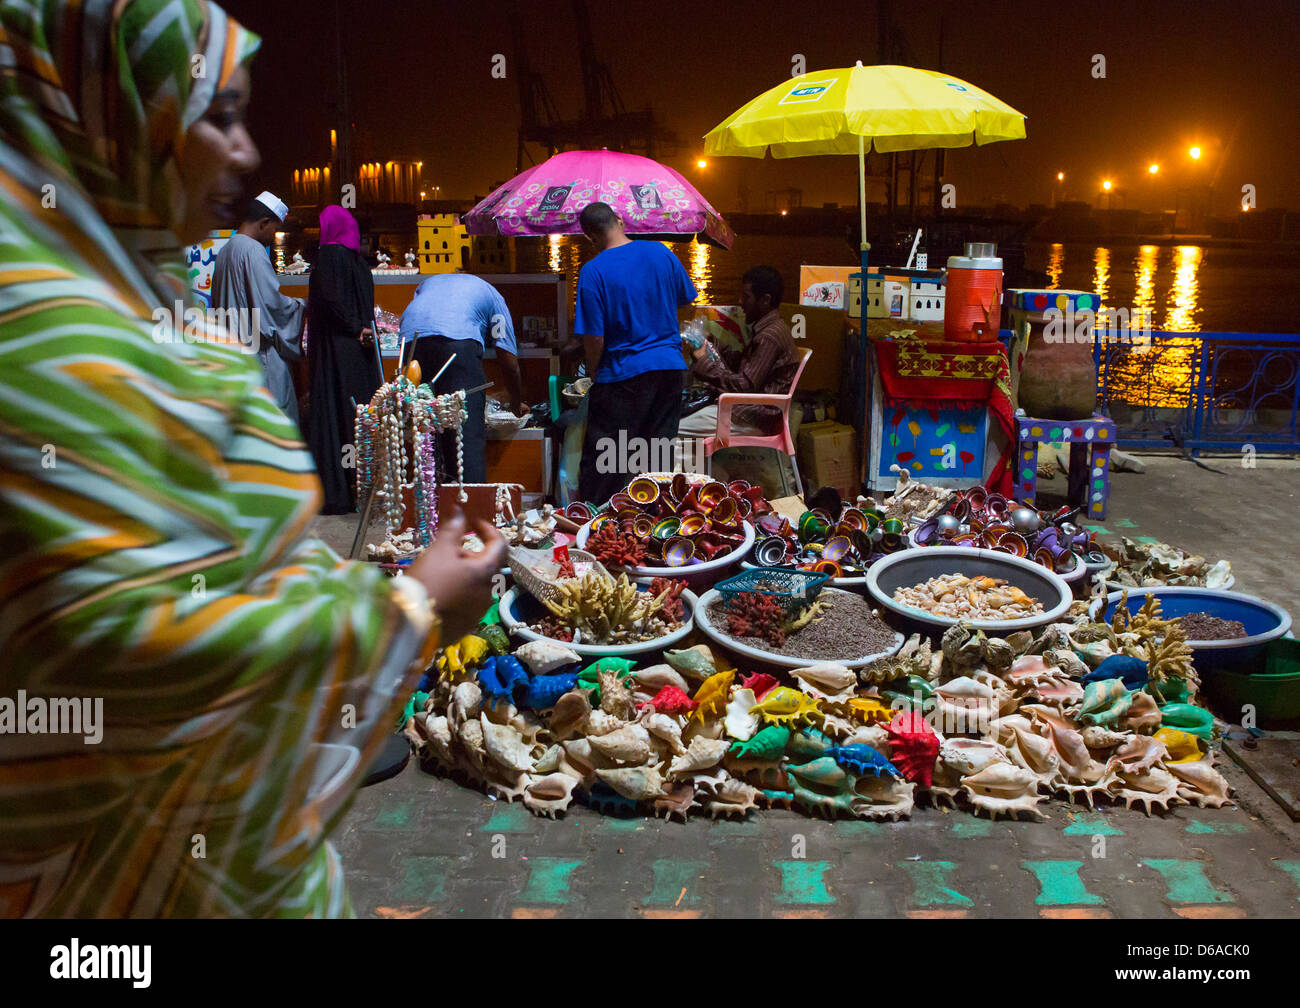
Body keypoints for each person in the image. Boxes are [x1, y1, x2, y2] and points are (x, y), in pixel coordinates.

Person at [0, 0, 503, 918]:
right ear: (114, 114)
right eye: (218, 115)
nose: (246, 154)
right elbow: (128, 643)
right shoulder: (50, 338)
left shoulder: (127, 284)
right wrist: (410, 604)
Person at [573, 202, 696, 505]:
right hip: (669, 370)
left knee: (607, 463)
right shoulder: (662, 253)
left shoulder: (593, 271)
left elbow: (594, 338)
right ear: (619, 220)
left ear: (590, 236)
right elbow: (688, 304)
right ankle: (654, 529)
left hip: (622, 376)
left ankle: (596, 527)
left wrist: (594, 373)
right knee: (655, 458)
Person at [401, 273, 525, 484]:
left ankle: (432, 507)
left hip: (411, 341)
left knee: (428, 429)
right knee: (465, 436)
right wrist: (515, 403)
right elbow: (509, 361)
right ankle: (470, 508)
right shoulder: (495, 298)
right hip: (456, 345)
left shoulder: (428, 283)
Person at [306, 205, 383, 514]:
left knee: (334, 416)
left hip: (334, 354)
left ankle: (337, 493)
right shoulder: (360, 264)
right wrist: (360, 329)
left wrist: (350, 326)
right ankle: (365, 491)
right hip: (361, 353)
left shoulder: (326, 259)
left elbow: (328, 301)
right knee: (360, 418)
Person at [211, 189, 307, 423]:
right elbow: (271, 306)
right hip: (259, 357)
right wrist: (302, 305)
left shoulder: (226, 250)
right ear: (265, 223)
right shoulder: (253, 251)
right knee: (276, 421)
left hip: (234, 357)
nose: (275, 236)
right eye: (275, 228)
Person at [678, 265, 800, 438]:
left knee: (671, 428)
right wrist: (712, 344)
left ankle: (679, 465)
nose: (741, 302)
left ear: (765, 300)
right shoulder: (770, 329)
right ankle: (697, 464)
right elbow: (746, 366)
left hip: (752, 416)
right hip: (749, 410)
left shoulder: (769, 336)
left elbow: (743, 386)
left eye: (746, 296)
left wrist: (704, 360)